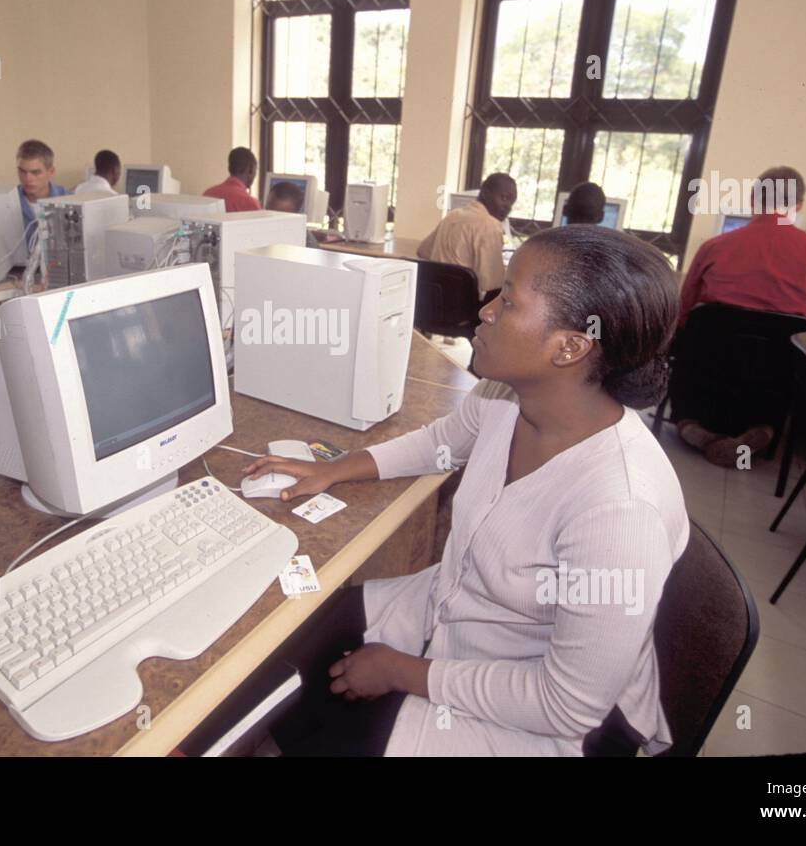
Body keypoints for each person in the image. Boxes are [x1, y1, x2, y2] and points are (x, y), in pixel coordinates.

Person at [245, 225, 687, 756]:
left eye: (509, 298)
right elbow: (444, 441)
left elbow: (567, 703)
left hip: (548, 711)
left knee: (341, 730)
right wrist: (336, 468)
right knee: (297, 640)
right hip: (462, 614)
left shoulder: (620, 509)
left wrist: (400, 671)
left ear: (570, 347)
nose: (485, 310)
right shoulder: (508, 395)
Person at [674, 166, 806, 465]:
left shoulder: (713, 248)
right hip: (775, 380)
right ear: (799, 205)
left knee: (691, 342)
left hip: (708, 371)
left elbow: (686, 313)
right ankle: (763, 430)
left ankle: (693, 428)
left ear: (753, 199)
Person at [417, 173, 516, 301]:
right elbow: (493, 285)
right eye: (504, 198)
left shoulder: (453, 215)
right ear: (485, 193)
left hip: (434, 304)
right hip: (464, 307)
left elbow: (423, 251)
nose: (508, 206)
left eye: (511, 202)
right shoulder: (489, 225)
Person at [16, 139, 66, 236]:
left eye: (35, 173)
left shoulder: (69, 200)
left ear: (51, 172)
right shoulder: (8, 203)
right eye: (22, 171)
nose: (27, 178)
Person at [202, 147, 262, 213]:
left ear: (229, 168)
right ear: (250, 169)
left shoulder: (208, 194)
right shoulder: (250, 203)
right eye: (256, 170)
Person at [265, 180, 319, 248]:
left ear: (296, 216)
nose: (272, 221)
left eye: (281, 218)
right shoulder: (261, 232)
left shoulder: (308, 246)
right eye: (269, 212)